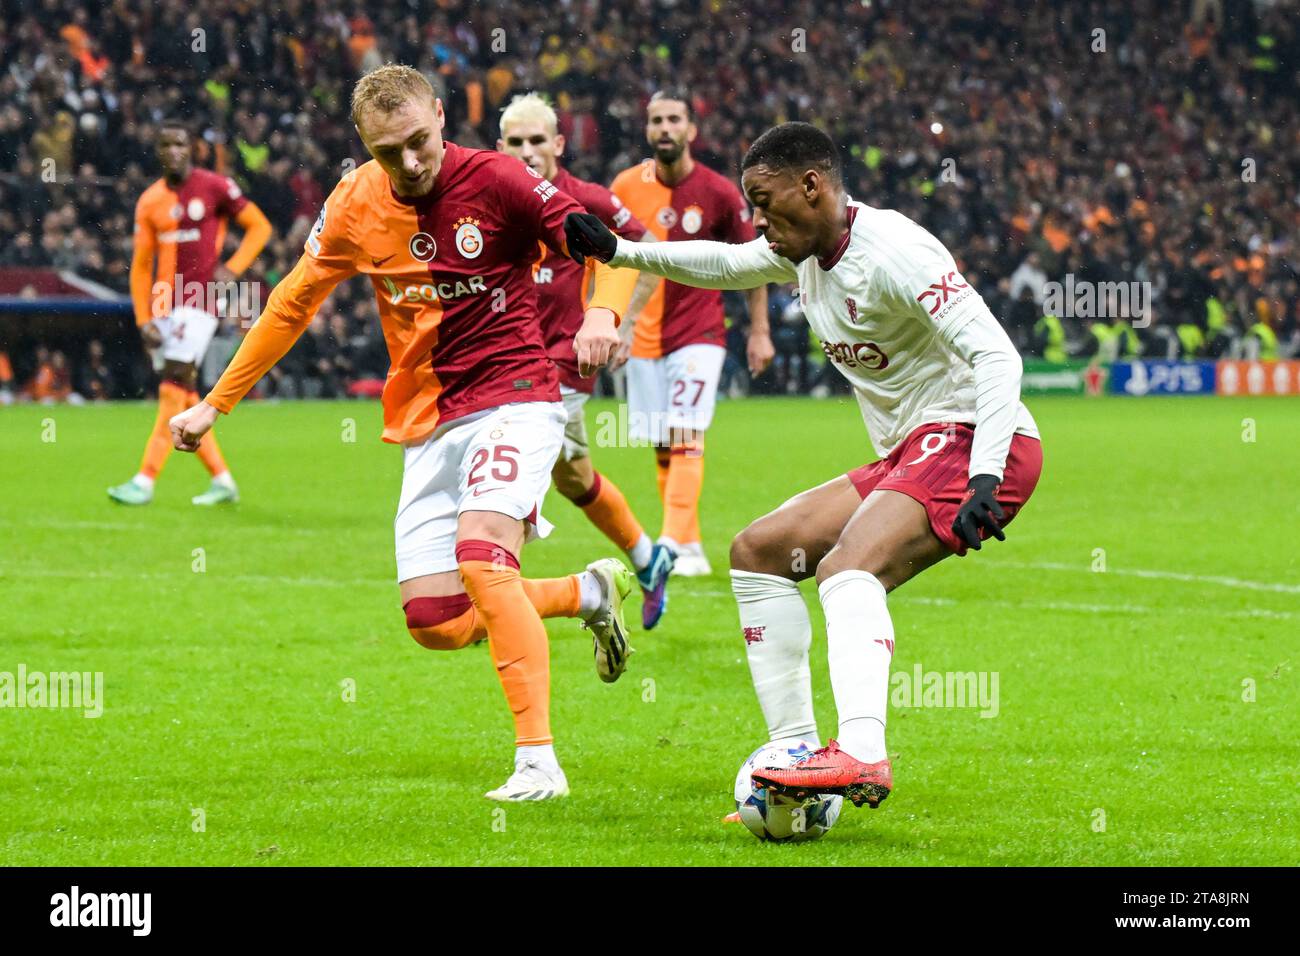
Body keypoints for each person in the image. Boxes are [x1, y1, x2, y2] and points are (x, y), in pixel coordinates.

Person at [168, 65, 634, 802]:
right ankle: (585, 593)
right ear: (364, 147)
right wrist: (215, 404)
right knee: (435, 622)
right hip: (426, 420)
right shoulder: (353, 202)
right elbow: (292, 302)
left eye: (420, 142)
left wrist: (604, 314)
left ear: (442, 117)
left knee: (483, 555)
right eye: (390, 152)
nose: (411, 163)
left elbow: (606, 247)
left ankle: (538, 762)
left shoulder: (503, 180)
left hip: (518, 396)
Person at [565, 122, 1043, 811]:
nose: (758, 219)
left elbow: (1000, 358)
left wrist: (986, 475)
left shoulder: (896, 251)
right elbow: (725, 264)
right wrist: (622, 251)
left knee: (847, 568)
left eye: (764, 200)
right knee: (757, 551)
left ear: (811, 185)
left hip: (976, 439)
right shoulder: (805, 253)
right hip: (915, 448)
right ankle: (795, 748)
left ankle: (863, 752)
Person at [497, 92, 677, 629]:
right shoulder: (493, 199)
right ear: (500, 146)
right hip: (503, 360)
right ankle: (648, 557)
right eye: (516, 142)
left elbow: (647, 255)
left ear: (558, 143)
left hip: (561, 363)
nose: (527, 151)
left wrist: (620, 320)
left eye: (537, 140)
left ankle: (496, 594)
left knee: (515, 468)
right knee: (573, 479)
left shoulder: (586, 199)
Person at [608, 88, 774, 576]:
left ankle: (668, 544)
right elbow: (611, 261)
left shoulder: (720, 192)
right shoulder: (625, 186)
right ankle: (690, 542)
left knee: (685, 435)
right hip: (641, 336)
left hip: (700, 333)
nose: (664, 127)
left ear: (690, 129)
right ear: (647, 129)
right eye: (656, 119)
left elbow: (754, 263)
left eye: (673, 119)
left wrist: (759, 330)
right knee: (663, 442)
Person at [107, 117, 272, 506]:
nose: (174, 151)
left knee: (173, 382)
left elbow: (259, 227)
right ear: (159, 152)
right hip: (164, 305)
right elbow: (142, 265)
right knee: (186, 392)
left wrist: (233, 267)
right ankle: (223, 480)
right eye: (167, 145)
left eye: (181, 143)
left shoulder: (213, 187)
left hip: (201, 299)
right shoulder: (149, 201)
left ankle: (145, 480)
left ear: (192, 147)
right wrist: (143, 318)